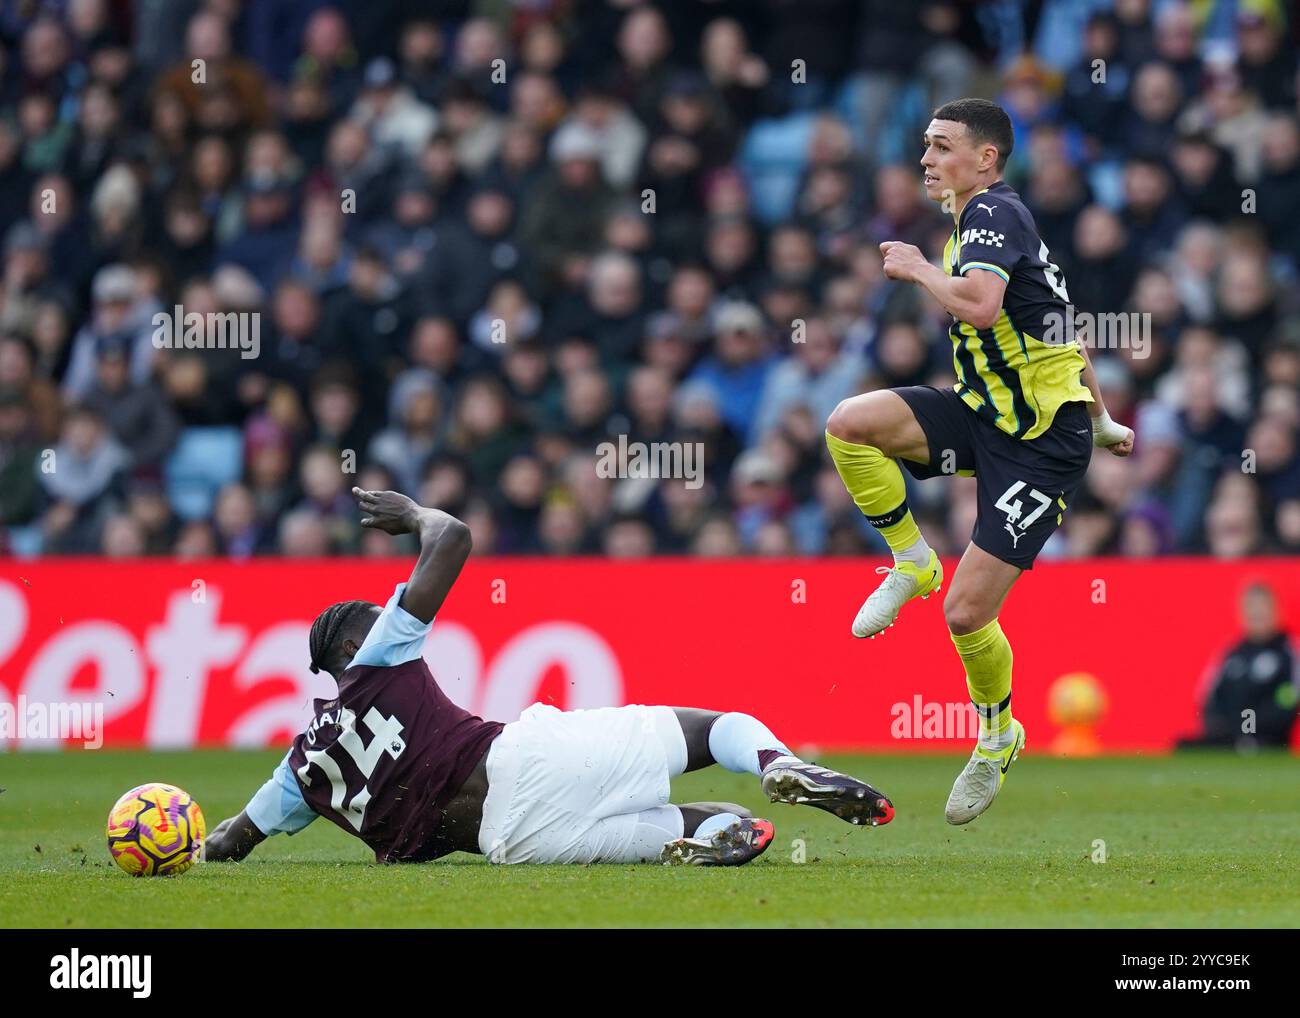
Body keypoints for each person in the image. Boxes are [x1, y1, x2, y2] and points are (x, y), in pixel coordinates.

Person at [206, 488, 893, 867]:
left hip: (515, 845)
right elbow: (454, 539)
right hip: (527, 762)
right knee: (716, 731)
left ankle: (710, 839)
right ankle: (779, 762)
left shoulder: (298, 772)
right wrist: (413, 514)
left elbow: (234, 839)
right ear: (354, 643)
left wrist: (182, 845)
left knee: (729, 823)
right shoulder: (376, 656)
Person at [824, 98, 1135, 825]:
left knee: (966, 615)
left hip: (1040, 448)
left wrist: (916, 271)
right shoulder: (985, 224)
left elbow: (986, 308)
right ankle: (911, 562)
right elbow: (1059, 325)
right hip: (983, 414)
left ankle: (996, 736)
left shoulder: (992, 214)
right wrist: (1106, 414)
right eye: (924, 145)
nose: (926, 158)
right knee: (849, 424)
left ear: (985, 158)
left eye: (940, 146)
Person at [1179, 582, 1298, 750]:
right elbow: (1209, 697)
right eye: (1252, 607)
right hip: (1228, 737)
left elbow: (1288, 699)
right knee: (1184, 747)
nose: (1257, 612)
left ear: (1275, 610)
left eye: (1262, 607)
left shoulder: (1289, 651)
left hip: (1268, 741)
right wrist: (1226, 727)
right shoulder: (1231, 653)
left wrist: (1250, 730)